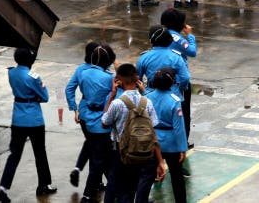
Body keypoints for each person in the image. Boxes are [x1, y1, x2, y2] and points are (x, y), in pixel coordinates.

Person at [0, 48, 56, 202]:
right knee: (40, 154)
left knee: (14, 155)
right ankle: (43, 185)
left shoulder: (11, 73)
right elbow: (45, 97)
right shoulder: (33, 77)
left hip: (18, 119)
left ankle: (3, 187)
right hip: (34, 119)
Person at [101, 64, 165, 203]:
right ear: (137, 79)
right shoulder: (147, 102)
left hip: (121, 153)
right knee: (138, 187)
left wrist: (112, 94)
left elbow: (104, 123)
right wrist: (160, 161)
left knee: (124, 192)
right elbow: (153, 133)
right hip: (143, 152)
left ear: (119, 81)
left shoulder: (117, 103)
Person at [78, 46, 117, 203]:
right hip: (102, 120)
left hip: (88, 119)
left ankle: (112, 189)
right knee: (101, 160)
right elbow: (112, 98)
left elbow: (84, 92)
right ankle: (87, 194)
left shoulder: (83, 73)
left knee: (102, 159)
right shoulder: (108, 77)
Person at [144, 68, 188, 203]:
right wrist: (182, 148)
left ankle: (141, 199)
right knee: (176, 176)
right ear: (172, 83)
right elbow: (179, 128)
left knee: (147, 176)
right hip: (170, 143)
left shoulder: (147, 97)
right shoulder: (174, 100)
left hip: (152, 140)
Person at [65, 42, 101, 189]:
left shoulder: (81, 69)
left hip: (84, 112)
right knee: (96, 147)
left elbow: (69, 89)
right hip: (98, 114)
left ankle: (79, 170)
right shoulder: (102, 71)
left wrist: (75, 109)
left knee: (91, 143)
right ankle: (93, 183)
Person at [160, 8, 196, 145]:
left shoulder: (160, 34)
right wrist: (190, 36)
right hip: (178, 81)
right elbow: (192, 51)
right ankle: (183, 142)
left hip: (161, 78)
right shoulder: (176, 37)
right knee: (183, 112)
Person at [137, 25, 191, 96]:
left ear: (151, 40)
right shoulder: (176, 57)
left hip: (150, 95)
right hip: (172, 94)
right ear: (169, 40)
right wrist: (180, 89)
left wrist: (144, 91)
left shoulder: (144, 57)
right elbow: (185, 78)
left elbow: (137, 79)